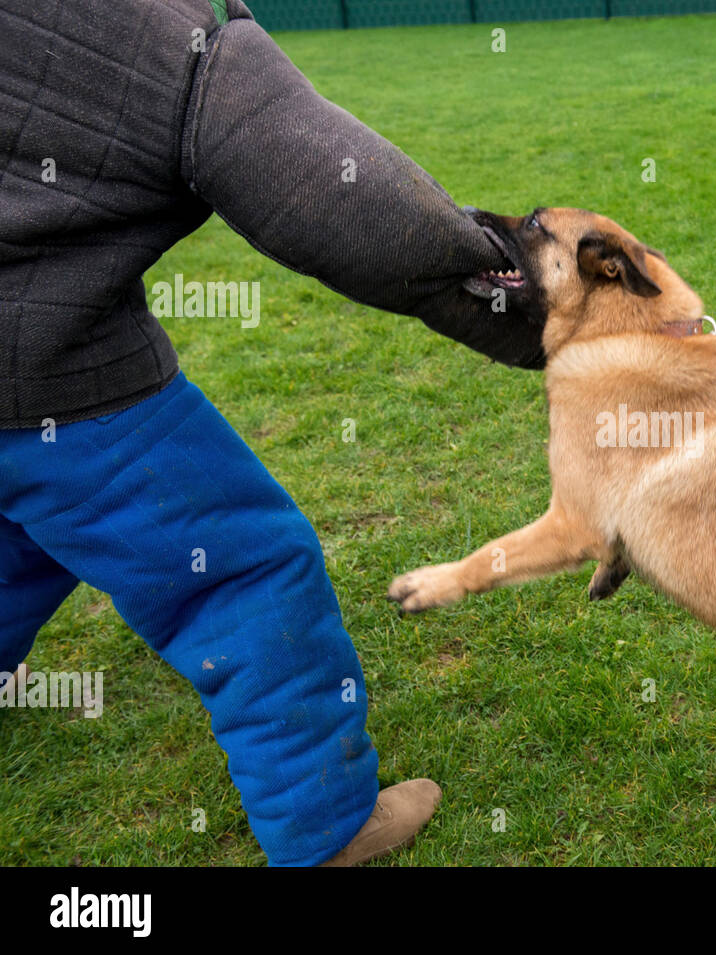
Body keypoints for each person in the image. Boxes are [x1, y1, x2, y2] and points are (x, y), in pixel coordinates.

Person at [0, 0, 543, 866]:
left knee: (21, 527)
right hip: (51, 369)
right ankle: (326, 824)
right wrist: (523, 306)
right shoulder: (162, 25)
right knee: (243, 571)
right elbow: (331, 188)